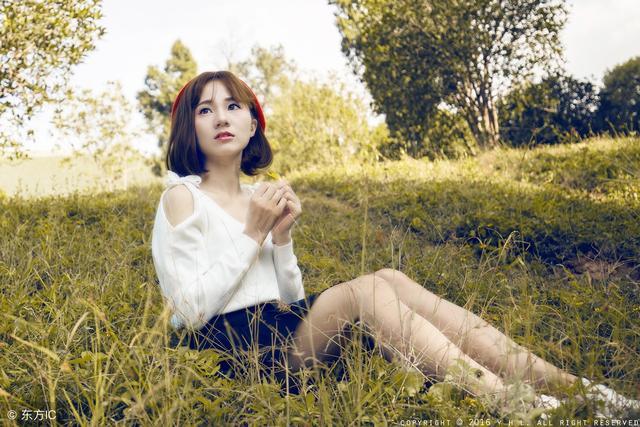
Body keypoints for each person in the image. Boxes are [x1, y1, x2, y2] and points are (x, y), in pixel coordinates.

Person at [150, 70, 639, 417]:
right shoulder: (182, 198)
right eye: (205, 109)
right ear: (189, 128)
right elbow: (187, 312)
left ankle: (580, 391)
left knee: (389, 278)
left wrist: (280, 240)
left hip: (281, 333)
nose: (221, 117)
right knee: (363, 290)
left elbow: (290, 302)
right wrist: (252, 234)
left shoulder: (259, 197)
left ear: (253, 123)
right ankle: (521, 406)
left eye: (233, 106)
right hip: (230, 352)